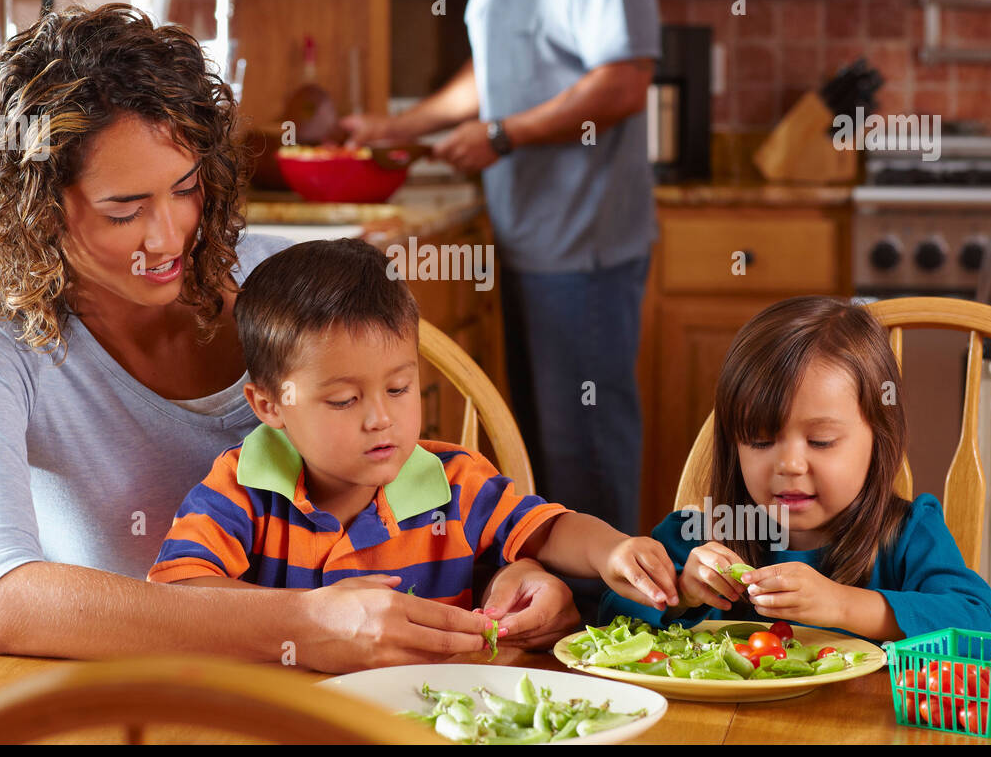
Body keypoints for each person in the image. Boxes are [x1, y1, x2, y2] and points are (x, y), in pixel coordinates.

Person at [0, 3, 581, 673]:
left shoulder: (287, 281)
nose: (168, 236)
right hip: (131, 695)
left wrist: (507, 575)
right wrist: (307, 622)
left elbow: (415, 495)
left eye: (185, 189)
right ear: (38, 210)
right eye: (125, 210)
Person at [342, 0, 659, 555]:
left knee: (583, 443)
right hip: (522, 232)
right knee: (544, 443)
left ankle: (621, 621)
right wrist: (401, 127)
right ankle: (565, 618)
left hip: (583, 242)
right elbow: (492, 73)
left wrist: (503, 136)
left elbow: (622, 82)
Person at [147, 239, 678, 626]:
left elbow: (551, 529)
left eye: (399, 389)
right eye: (344, 400)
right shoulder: (242, 491)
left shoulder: (457, 482)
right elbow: (180, 593)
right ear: (269, 405)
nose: (379, 418)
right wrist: (307, 616)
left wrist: (612, 549)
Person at [599, 296, 991, 641]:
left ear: (880, 440)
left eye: (821, 441)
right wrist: (681, 597)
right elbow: (608, 623)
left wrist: (843, 605)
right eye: (759, 440)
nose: (789, 465)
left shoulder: (907, 535)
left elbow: (978, 629)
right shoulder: (701, 536)